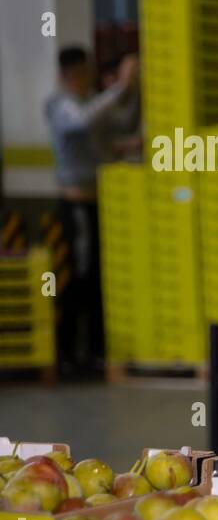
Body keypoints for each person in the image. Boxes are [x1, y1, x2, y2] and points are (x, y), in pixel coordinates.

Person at [44, 46, 139, 376]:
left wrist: (133, 87)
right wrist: (119, 89)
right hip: (74, 208)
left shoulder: (90, 103)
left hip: (98, 204)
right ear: (74, 73)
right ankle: (68, 354)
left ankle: (96, 353)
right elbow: (82, 124)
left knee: (98, 279)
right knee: (77, 277)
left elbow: (118, 123)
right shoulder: (60, 106)